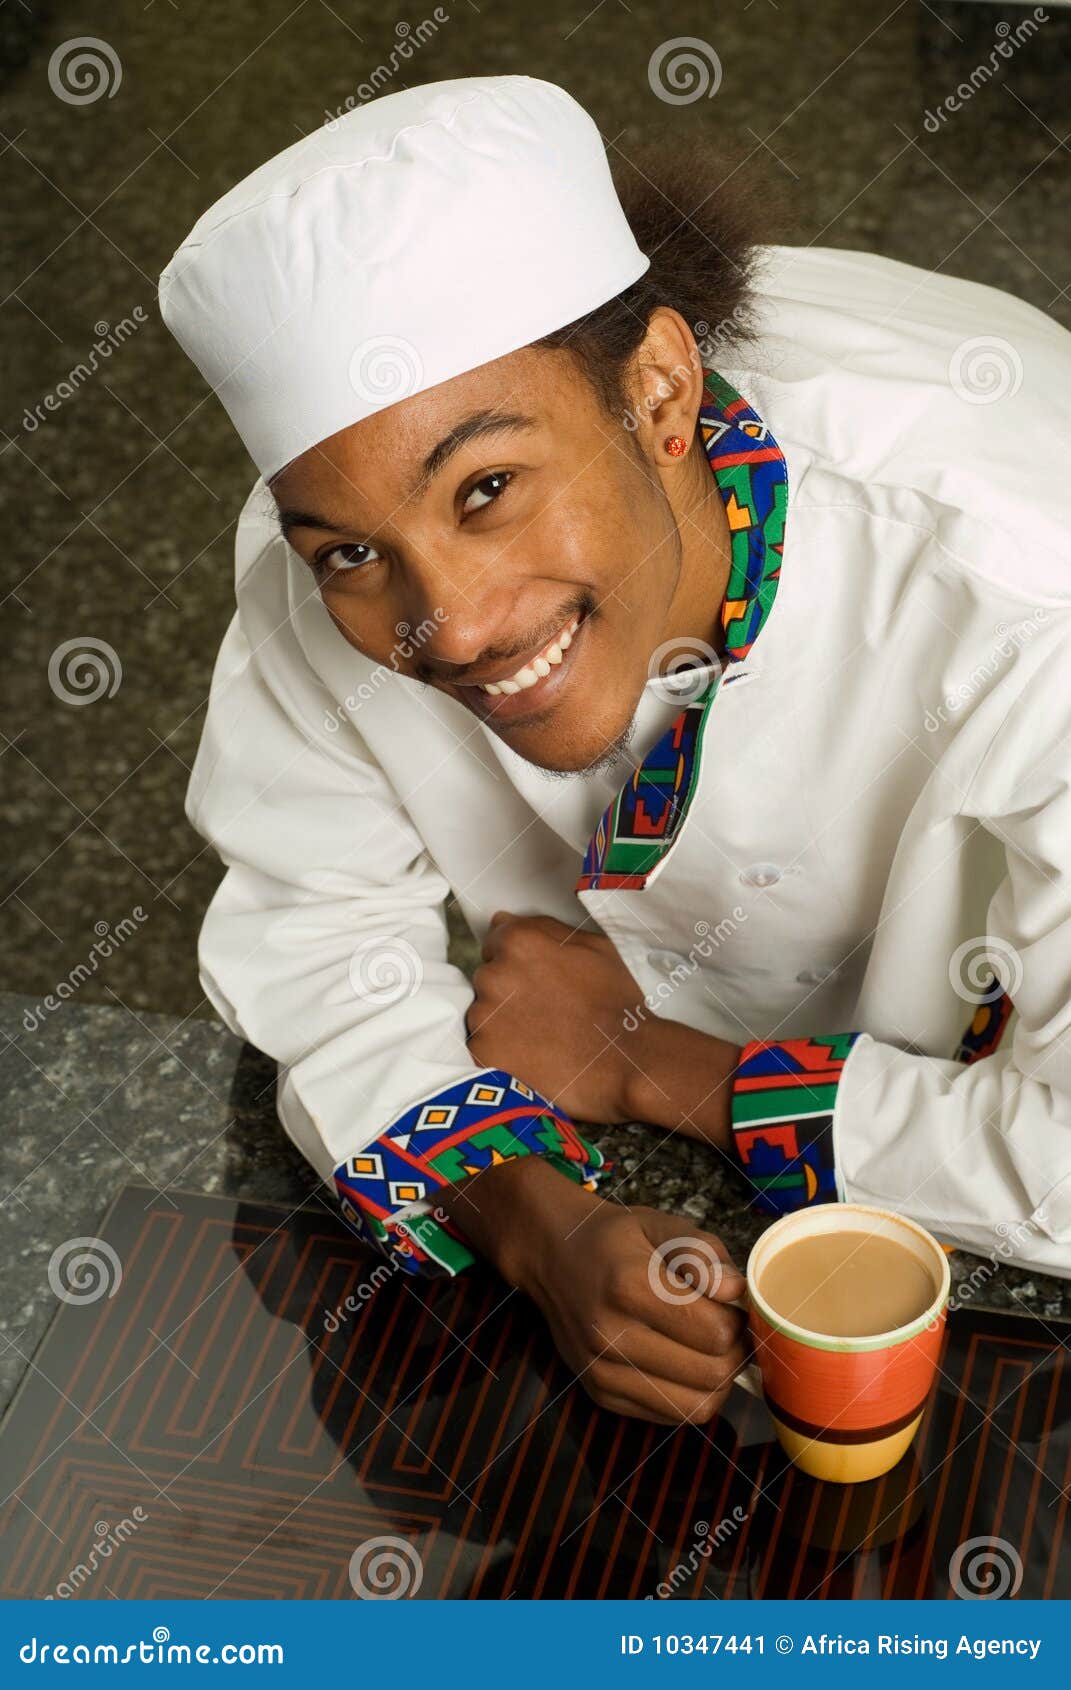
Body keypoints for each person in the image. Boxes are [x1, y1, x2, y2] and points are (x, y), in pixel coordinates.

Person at [159, 74, 1071, 1428]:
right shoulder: (318, 558)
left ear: (658, 392)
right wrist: (537, 1222)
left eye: (487, 492)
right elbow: (312, 936)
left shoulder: (1016, 581)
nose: (448, 623)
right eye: (352, 551)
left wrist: (656, 1060)